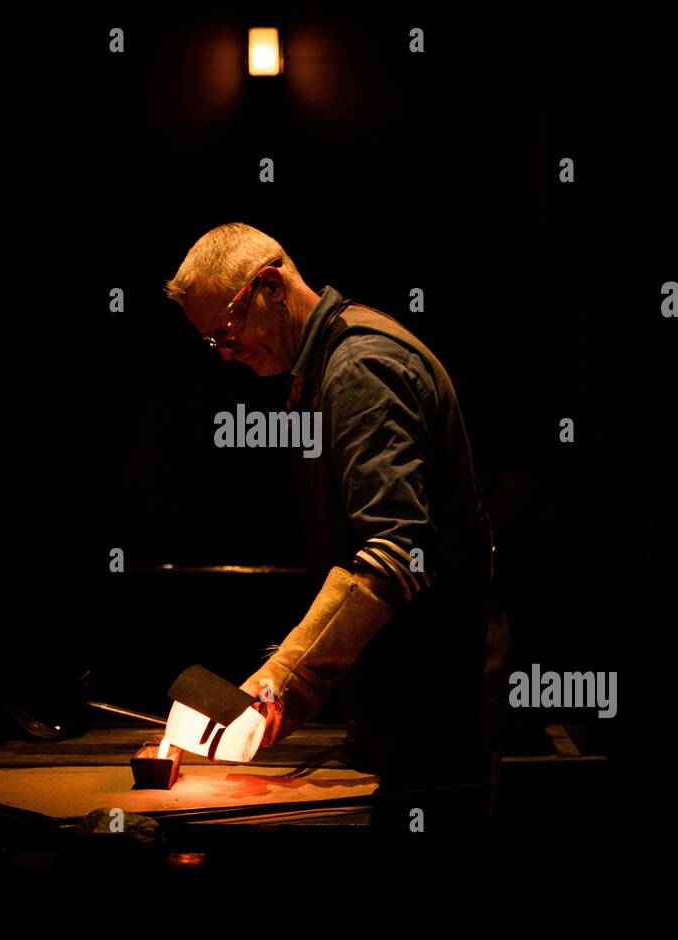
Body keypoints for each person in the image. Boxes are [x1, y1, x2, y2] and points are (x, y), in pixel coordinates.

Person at [164, 223, 513, 830]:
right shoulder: (328, 362)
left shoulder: (359, 367)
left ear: (269, 285)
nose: (224, 353)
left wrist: (282, 682)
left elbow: (396, 551)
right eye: (210, 342)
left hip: (437, 700)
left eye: (225, 330)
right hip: (409, 695)